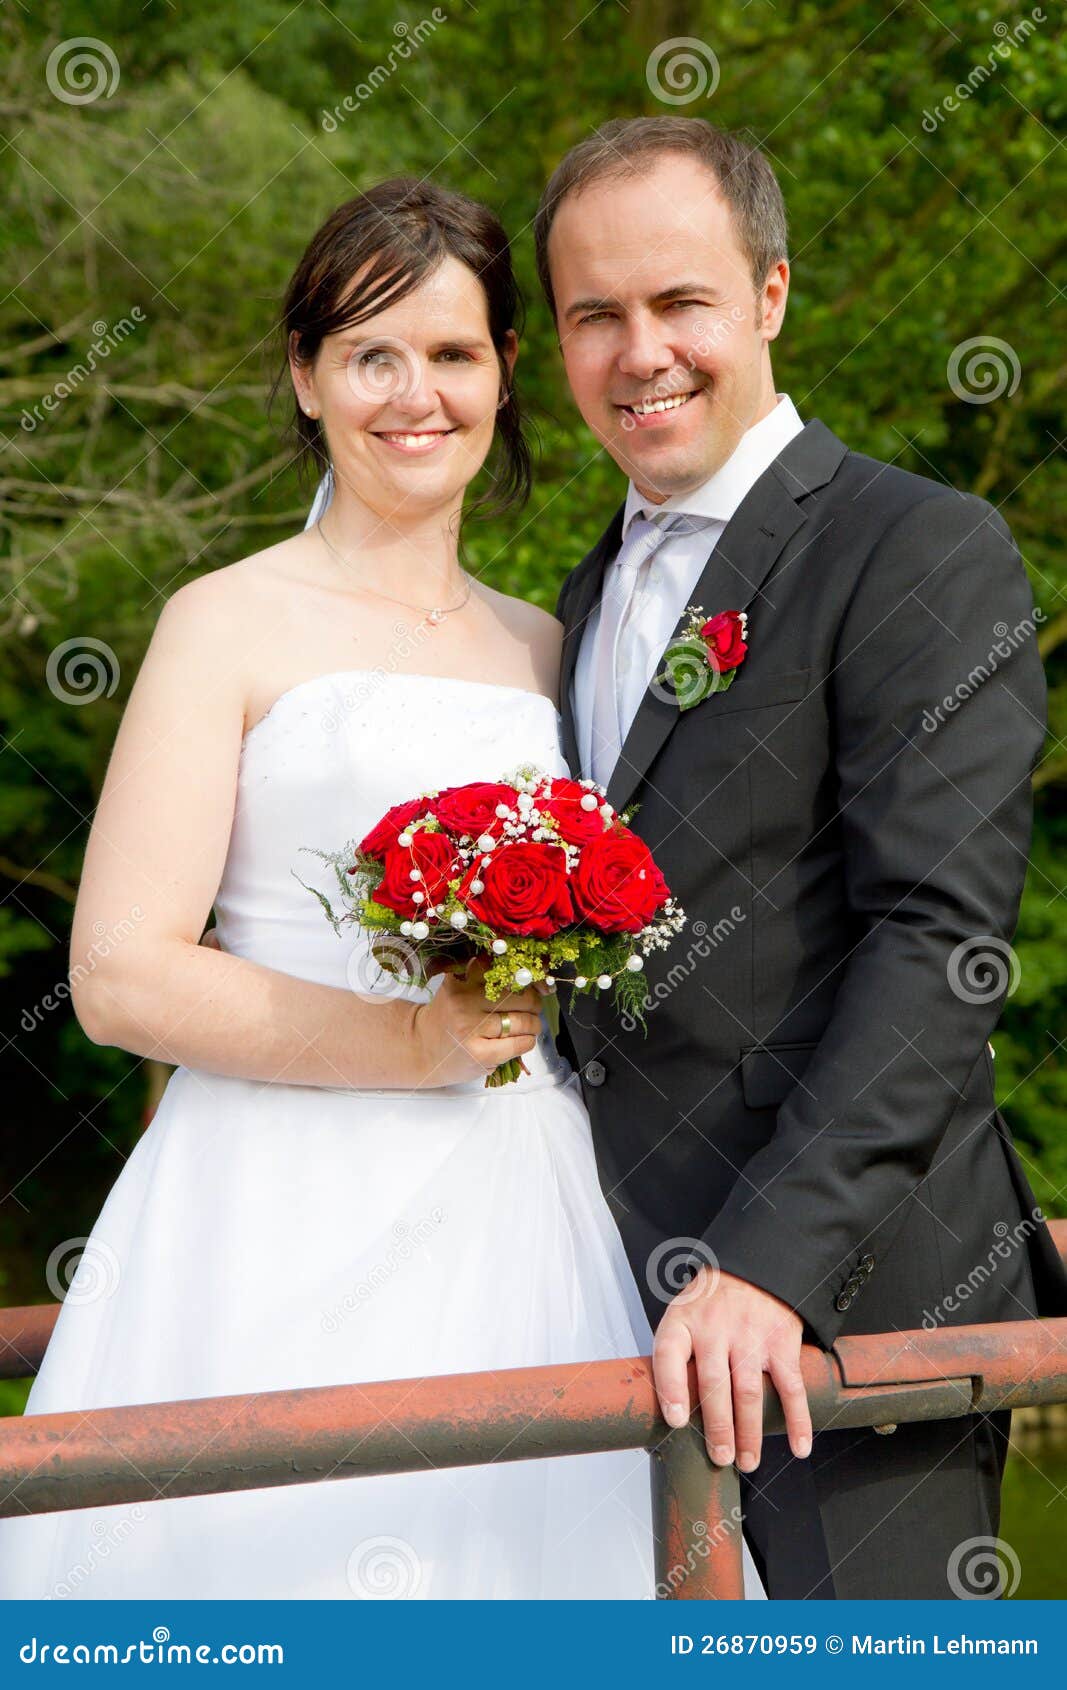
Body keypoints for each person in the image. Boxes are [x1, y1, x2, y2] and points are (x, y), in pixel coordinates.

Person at [0, 178, 767, 1600]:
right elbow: (118, 974)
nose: (418, 395)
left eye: (454, 353)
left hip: (519, 1204)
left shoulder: (550, 644)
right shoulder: (222, 621)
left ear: (506, 372)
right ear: (307, 376)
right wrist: (411, 1044)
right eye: (371, 355)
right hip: (268, 1202)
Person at [535, 115, 1067, 1599]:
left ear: (771, 294)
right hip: (602, 1299)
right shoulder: (580, 596)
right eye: (595, 315)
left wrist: (767, 1261)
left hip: (851, 1315)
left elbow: (937, 942)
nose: (641, 352)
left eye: (681, 301)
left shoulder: (917, 546)